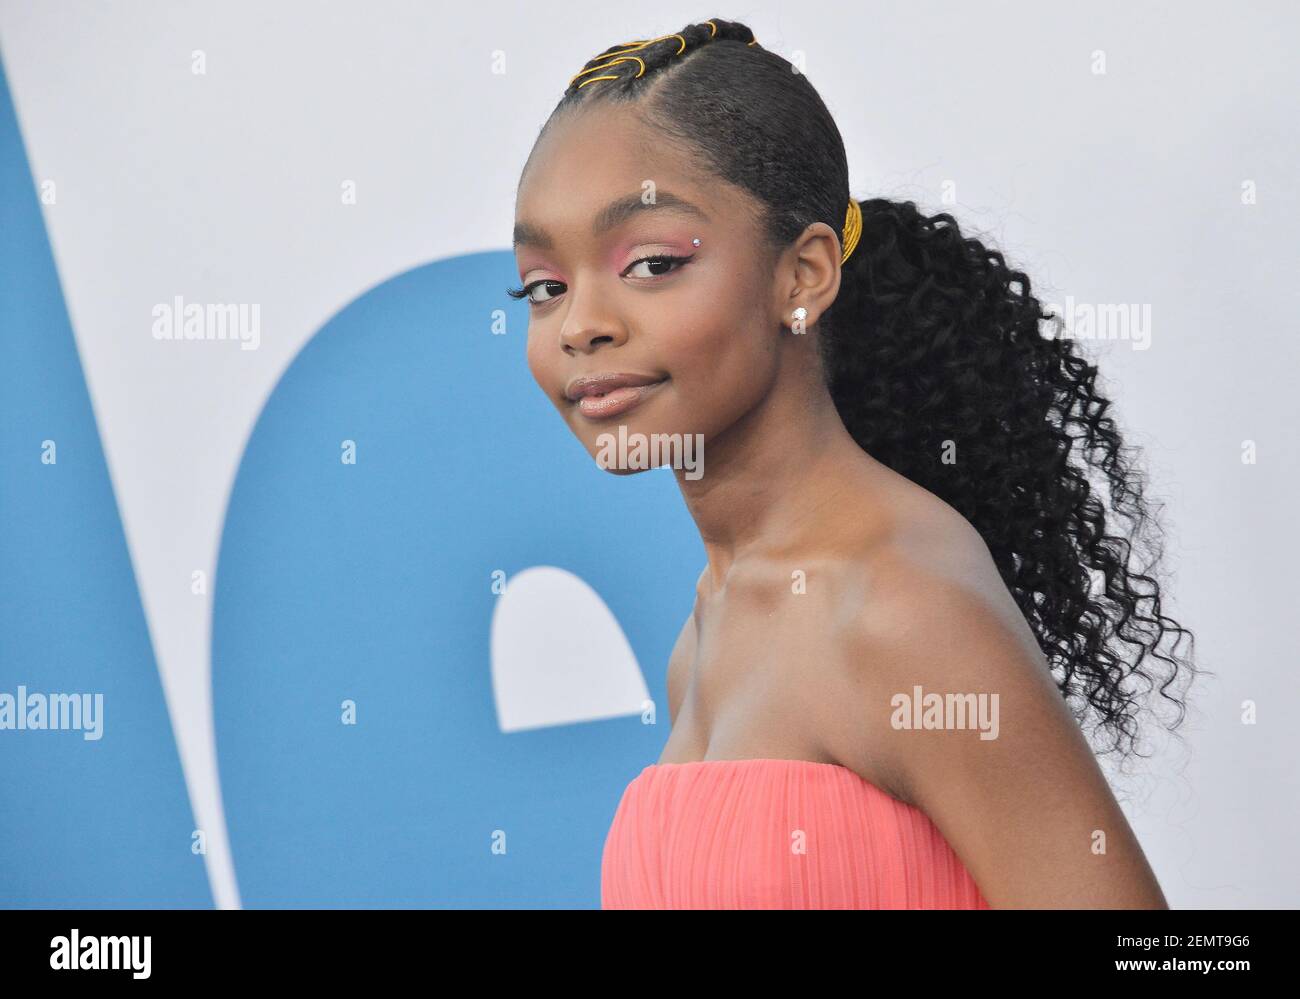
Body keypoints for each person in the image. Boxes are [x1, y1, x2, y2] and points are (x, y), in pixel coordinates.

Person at [509, 18, 1197, 908]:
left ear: (803, 275)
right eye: (545, 286)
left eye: (650, 262)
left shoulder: (898, 608)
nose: (580, 325)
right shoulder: (707, 631)